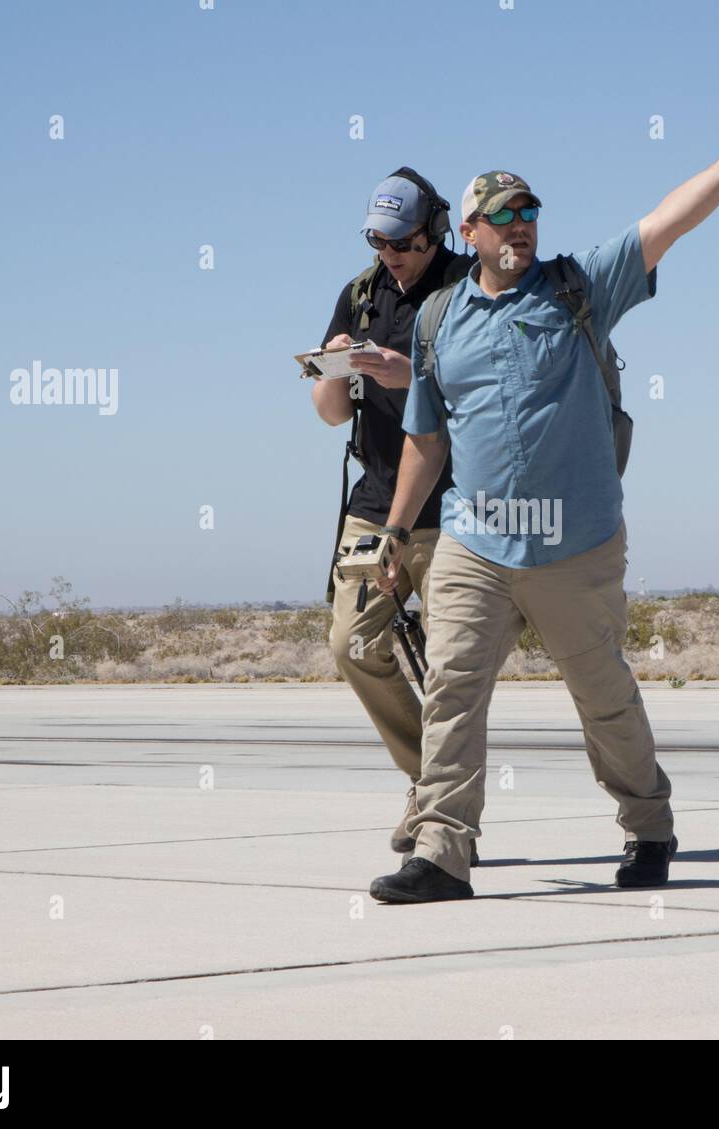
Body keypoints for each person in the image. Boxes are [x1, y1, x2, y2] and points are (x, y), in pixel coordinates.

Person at [368, 89, 719, 903]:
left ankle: (649, 825)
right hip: (476, 539)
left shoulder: (579, 287)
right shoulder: (436, 322)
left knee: (602, 697)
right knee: (453, 691)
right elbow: (427, 441)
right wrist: (394, 534)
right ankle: (443, 852)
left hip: (577, 542)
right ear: (471, 233)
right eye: (502, 214)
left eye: (529, 209)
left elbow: (670, 219)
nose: (521, 223)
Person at [310, 168, 473, 858]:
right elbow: (328, 413)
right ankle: (423, 775)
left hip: (455, 502)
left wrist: (402, 369)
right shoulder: (360, 294)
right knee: (352, 645)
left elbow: (476, 377)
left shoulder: (470, 289)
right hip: (374, 503)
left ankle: (442, 811)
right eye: (378, 240)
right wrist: (338, 368)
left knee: (451, 665)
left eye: (402, 241)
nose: (390, 253)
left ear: (433, 228)